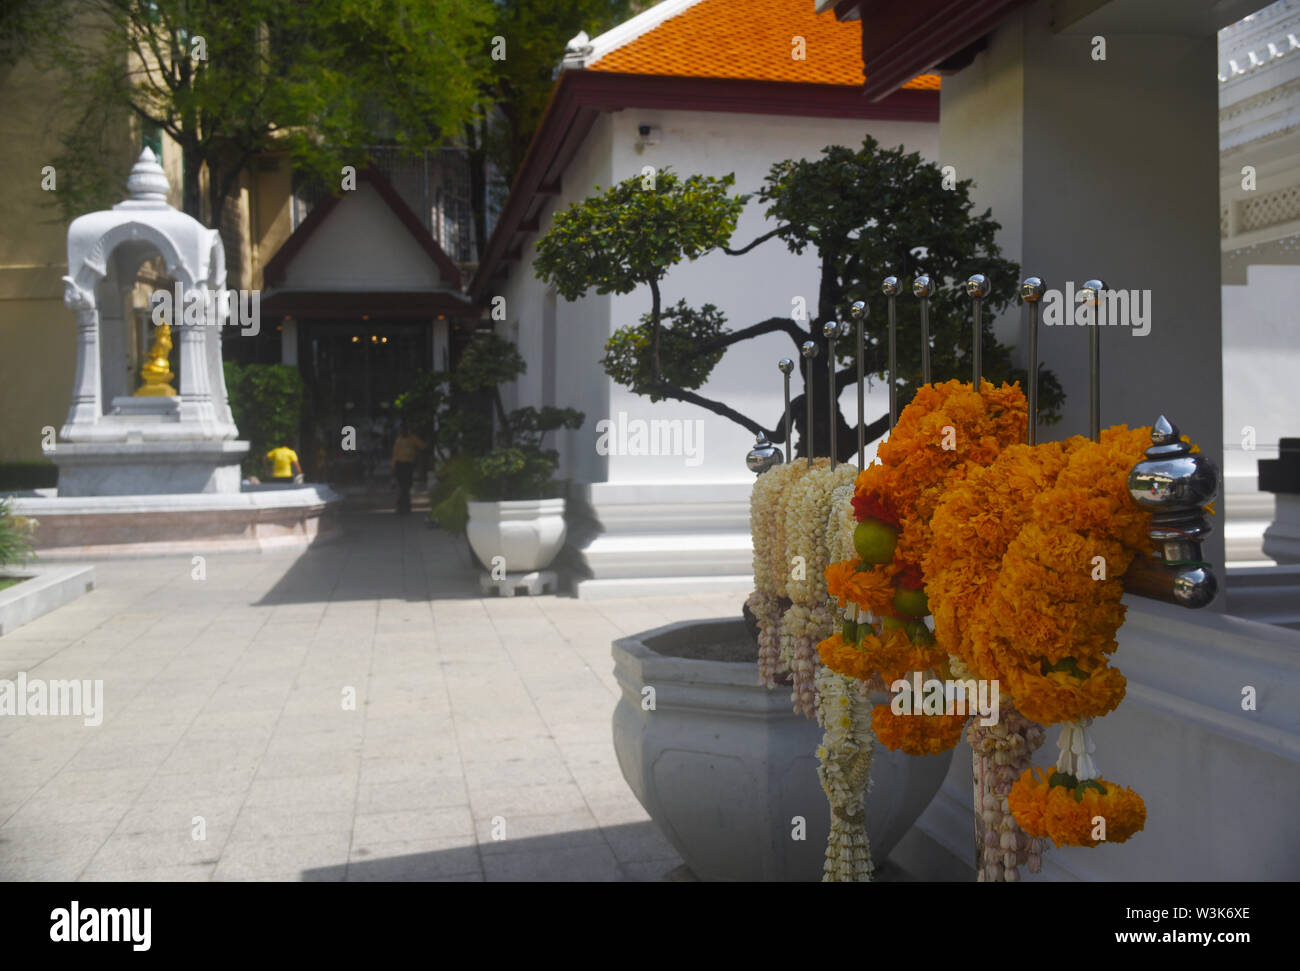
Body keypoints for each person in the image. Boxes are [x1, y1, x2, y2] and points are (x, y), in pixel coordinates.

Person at [391, 423, 427, 514]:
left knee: (406, 487)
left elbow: (423, 446)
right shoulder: (398, 440)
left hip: (408, 465)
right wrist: (393, 467)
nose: (403, 432)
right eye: (401, 431)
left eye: (405, 430)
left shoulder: (413, 439)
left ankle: (404, 507)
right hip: (400, 465)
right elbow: (395, 454)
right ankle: (402, 507)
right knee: (402, 487)